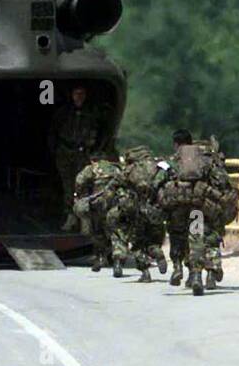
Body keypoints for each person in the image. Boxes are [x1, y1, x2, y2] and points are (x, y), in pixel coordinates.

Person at [155, 130, 239, 295]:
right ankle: (196, 276)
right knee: (196, 239)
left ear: (175, 144)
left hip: (177, 206)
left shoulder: (169, 161)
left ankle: (178, 267)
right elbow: (221, 180)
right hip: (198, 204)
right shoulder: (205, 159)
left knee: (177, 235)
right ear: (191, 142)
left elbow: (156, 182)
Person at [49, 84, 112, 230]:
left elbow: (105, 132)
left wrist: (97, 150)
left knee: (84, 185)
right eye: (76, 94)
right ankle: (70, 215)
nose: (79, 97)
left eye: (82, 94)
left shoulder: (93, 113)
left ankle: (84, 219)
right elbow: (53, 131)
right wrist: (55, 150)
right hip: (65, 152)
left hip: (83, 152)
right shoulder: (64, 112)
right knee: (68, 186)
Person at [117, 145, 169, 282]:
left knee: (137, 244)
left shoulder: (129, 170)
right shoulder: (159, 167)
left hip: (137, 211)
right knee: (154, 239)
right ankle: (157, 252)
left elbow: (119, 186)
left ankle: (145, 272)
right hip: (156, 209)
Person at [73, 153, 124, 274]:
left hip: (99, 204)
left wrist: (80, 194)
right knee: (116, 232)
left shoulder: (92, 168)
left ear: (93, 160)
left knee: (97, 230)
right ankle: (117, 262)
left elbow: (79, 181)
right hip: (115, 203)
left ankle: (100, 258)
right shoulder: (116, 168)